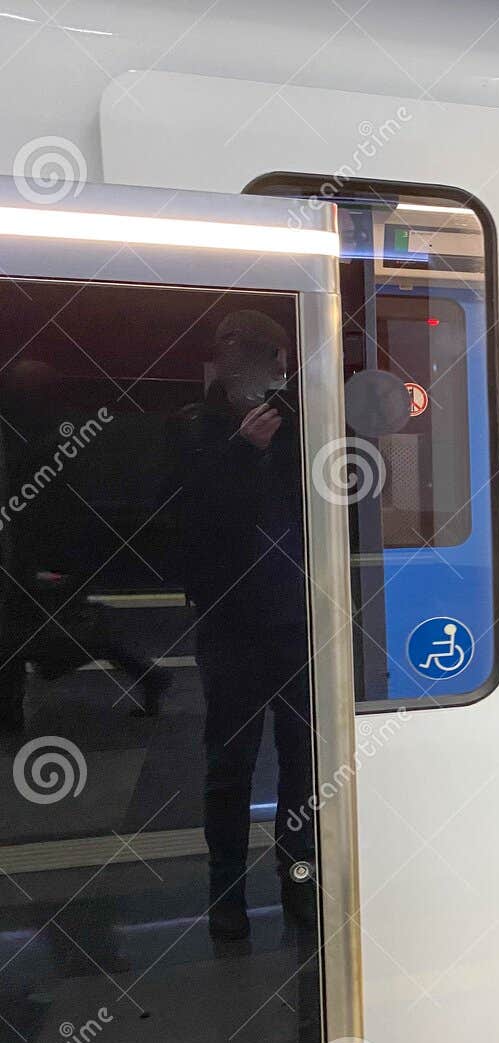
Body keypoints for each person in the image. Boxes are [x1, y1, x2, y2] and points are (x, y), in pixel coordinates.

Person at [171, 311, 315, 941]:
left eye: (275, 358)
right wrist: (242, 451)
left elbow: (325, 504)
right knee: (230, 765)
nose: (267, 371)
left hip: (294, 618)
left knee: (303, 766)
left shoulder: (300, 424)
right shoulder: (197, 430)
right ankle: (225, 895)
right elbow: (187, 517)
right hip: (231, 621)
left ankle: (300, 881)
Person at [0, 359, 169, 732]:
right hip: (46, 551)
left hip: (35, 552)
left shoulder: (36, 440)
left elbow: (47, 509)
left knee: (19, 633)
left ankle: (9, 714)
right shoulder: (55, 433)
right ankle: (147, 675)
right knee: (59, 628)